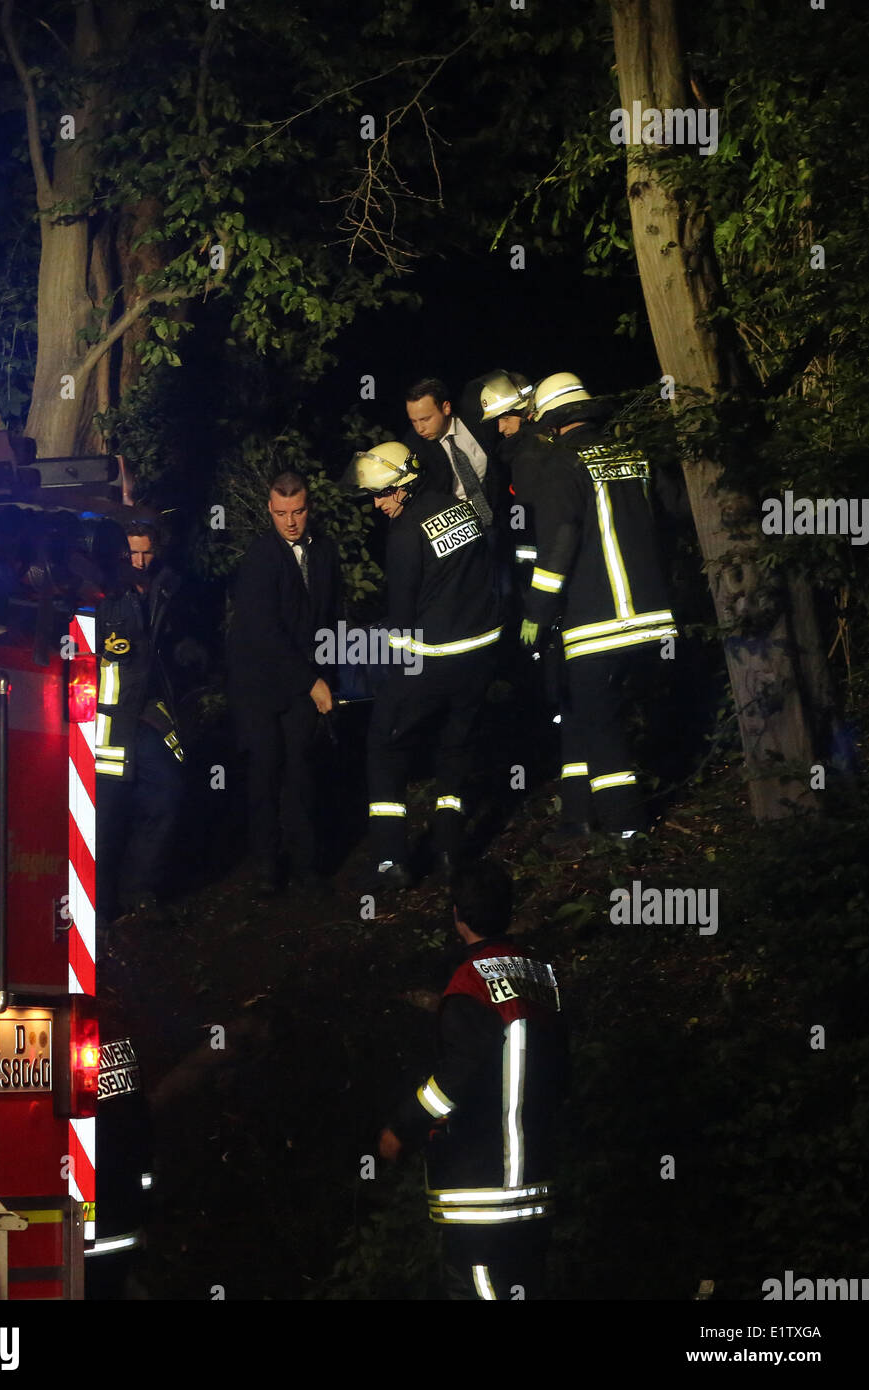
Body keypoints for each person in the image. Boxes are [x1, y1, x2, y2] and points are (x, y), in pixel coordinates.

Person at [481, 369, 678, 845]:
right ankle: (578, 818)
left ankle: (627, 832)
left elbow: (559, 542)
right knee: (595, 715)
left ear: (547, 419)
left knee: (602, 728)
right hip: (655, 622)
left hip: (596, 627)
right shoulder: (634, 453)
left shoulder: (559, 464)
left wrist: (537, 614)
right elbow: (671, 517)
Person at [378, 860, 567, 1300]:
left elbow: (456, 1077)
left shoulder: (468, 986)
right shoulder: (542, 977)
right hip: (536, 1183)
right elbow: (563, 1076)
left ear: (458, 916)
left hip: (480, 1190)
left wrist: (402, 1128)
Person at [341, 441, 501, 888]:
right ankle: (450, 850)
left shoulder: (405, 532)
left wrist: (389, 666)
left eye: (381, 494)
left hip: (431, 660)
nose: (376, 505)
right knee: (455, 746)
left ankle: (393, 861)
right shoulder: (462, 510)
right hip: (481, 654)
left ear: (404, 486)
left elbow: (403, 615)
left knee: (384, 746)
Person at [226, 471, 341, 893]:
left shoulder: (325, 552)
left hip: (304, 678)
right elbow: (263, 630)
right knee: (264, 771)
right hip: (259, 683)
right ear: (269, 511)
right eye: (280, 513)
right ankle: (266, 867)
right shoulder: (260, 556)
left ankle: (308, 865)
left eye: (297, 511)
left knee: (301, 771)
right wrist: (312, 681)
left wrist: (329, 673)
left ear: (309, 508)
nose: (290, 522)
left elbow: (331, 616)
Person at [95, 519, 199, 925]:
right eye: (131, 553)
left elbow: (175, 643)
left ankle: (140, 891)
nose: (139, 561)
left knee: (167, 797)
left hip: (150, 716)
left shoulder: (167, 586)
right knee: (105, 818)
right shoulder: (105, 595)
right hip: (108, 723)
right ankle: (100, 911)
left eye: (146, 551)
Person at [403, 376, 504, 532]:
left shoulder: (477, 418)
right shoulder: (414, 447)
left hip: (500, 510)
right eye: (414, 421)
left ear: (446, 408)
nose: (420, 428)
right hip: (458, 526)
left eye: (425, 419)